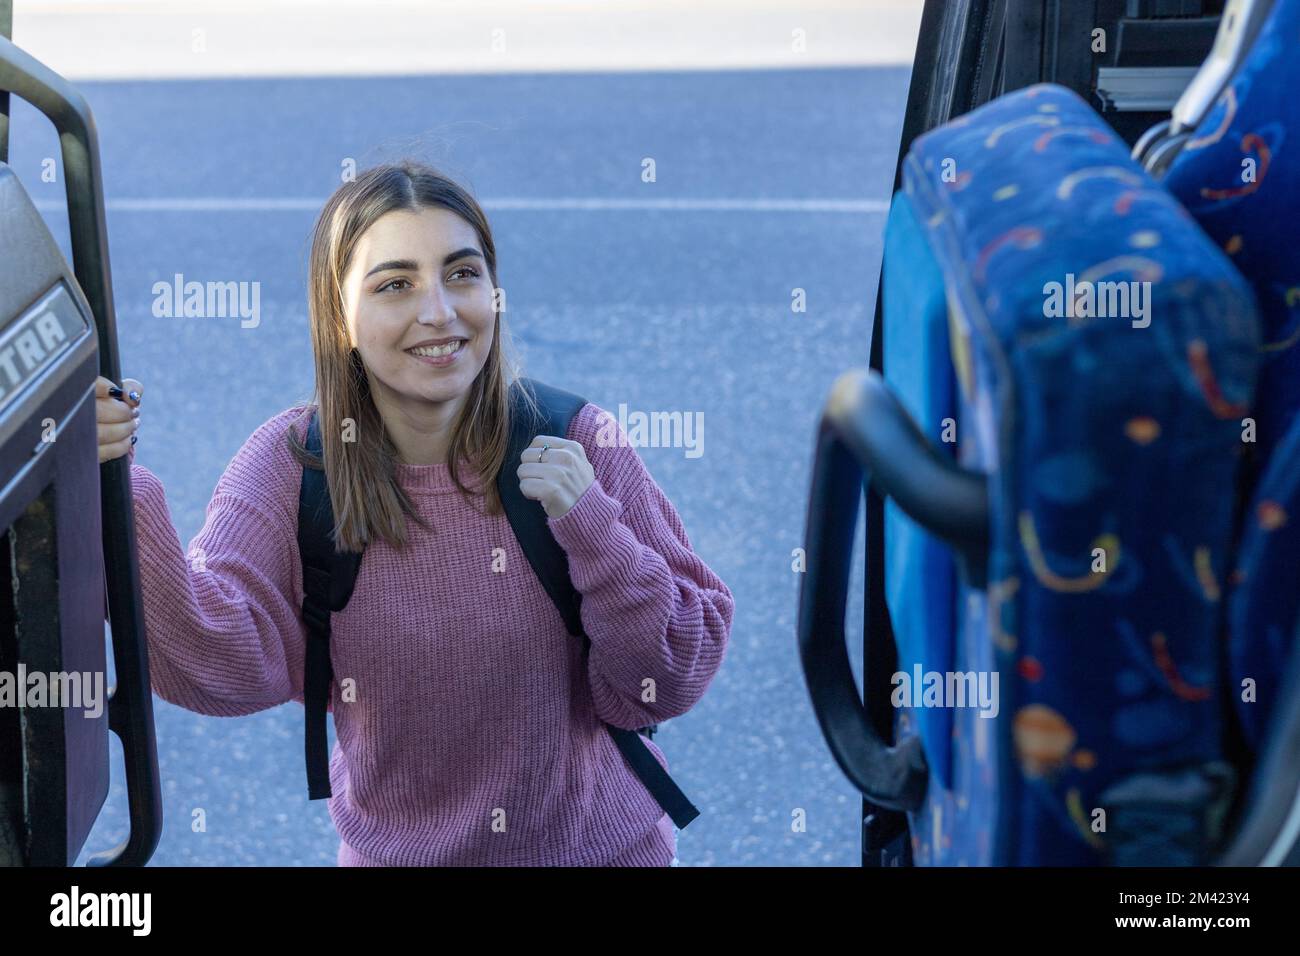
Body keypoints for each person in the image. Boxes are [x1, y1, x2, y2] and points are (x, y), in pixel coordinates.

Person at [95, 160, 733, 866]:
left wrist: (593, 529)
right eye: (395, 284)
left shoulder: (578, 441)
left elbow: (663, 683)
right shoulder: (294, 465)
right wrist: (112, 488)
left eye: (461, 274)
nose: (439, 311)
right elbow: (223, 665)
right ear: (340, 317)